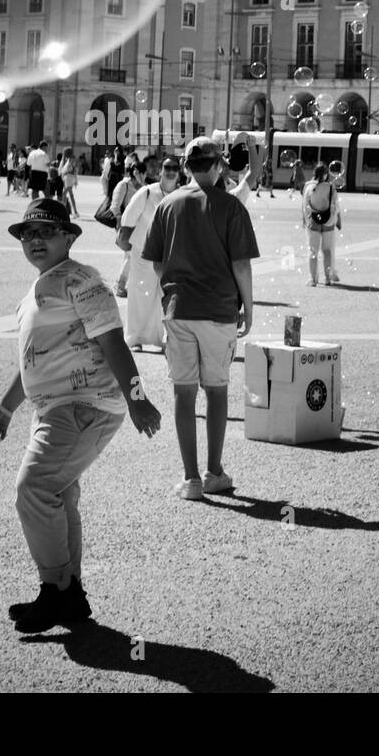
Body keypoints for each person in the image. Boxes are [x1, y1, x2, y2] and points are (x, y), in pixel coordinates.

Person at [0, 199, 160, 634]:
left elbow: (114, 342)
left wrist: (138, 398)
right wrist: (6, 406)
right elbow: (33, 359)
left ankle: (55, 589)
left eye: (45, 231)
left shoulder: (81, 281)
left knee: (34, 487)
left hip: (85, 404)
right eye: (27, 234)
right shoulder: (37, 292)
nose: (35, 240)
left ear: (69, 237)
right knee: (58, 495)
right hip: (55, 408)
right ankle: (70, 593)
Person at [142, 137, 259, 500]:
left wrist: (174, 291)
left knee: (183, 392)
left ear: (187, 167)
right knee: (217, 390)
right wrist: (250, 309)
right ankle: (214, 471)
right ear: (219, 166)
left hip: (178, 309)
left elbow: (158, 261)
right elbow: (241, 266)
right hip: (220, 311)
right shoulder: (231, 208)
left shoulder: (168, 205)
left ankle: (190, 479)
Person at [117, 156, 180, 349]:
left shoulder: (180, 195)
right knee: (139, 293)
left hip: (168, 255)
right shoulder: (146, 192)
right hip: (143, 253)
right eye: (167, 167)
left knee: (163, 295)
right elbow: (128, 219)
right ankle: (134, 338)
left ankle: (159, 338)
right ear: (160, 171)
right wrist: (124, 243)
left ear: (180, 172)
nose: (170, 171)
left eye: (174, 168)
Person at [302, 161, 343, 285]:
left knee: (313, 251)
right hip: (328, 221)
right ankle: (327, 278)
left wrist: (305, 220)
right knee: (327, 251)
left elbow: (305, 206)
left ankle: (313, 279)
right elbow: (336, 205)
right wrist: (338, 220)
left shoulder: (308, 186)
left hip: (313, 221)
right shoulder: (331, 187)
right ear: (326, 174)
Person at [110, 157, 144, 296]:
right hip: (126, 225)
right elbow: (115, 207)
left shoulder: (141, 186)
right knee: (131, 255)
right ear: (135, 172)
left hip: (138, 225)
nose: (144, 175)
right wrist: (120, 225)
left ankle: (125, 284)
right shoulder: (123, 185)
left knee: (130, 255)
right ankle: (120, 284)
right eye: (142, 172)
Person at [59, 149, 78, 218]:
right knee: (70, 195)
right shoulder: (69, 160)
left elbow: (69, 169)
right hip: (68, 178)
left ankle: (63, 211)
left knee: (64, 194)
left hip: (68, 178)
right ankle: (75, 212)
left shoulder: (70, 160)